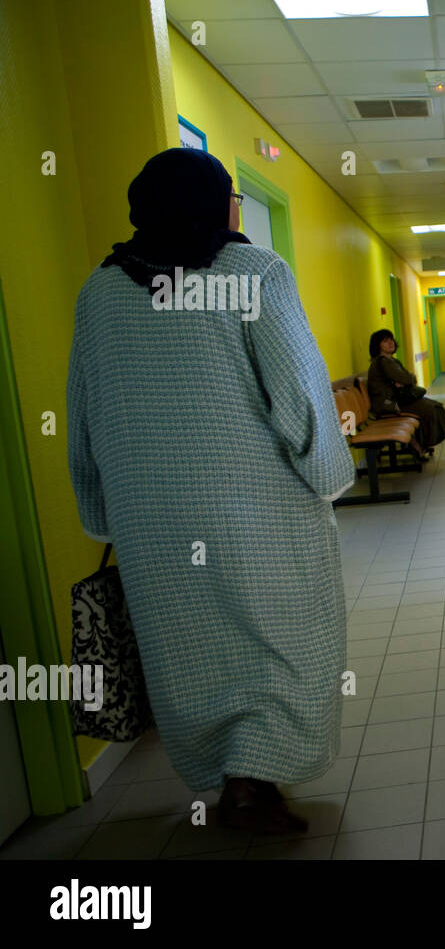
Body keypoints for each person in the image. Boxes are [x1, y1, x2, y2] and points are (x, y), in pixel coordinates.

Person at [66, 147, 356, 834]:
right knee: (280, 636)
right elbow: (301, 393)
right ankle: (254, 778)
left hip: (151, 523)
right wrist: (327, 473)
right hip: (255, 509)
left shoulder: (99, 291)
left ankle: (234, 778)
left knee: (190, 647)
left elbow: (84, 410)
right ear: (219, 205)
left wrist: (100, 512)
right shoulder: (254, 272)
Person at [368, 328, 445, 459]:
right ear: (377, 345)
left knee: (434, 405)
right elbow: (407, 378)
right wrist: (406, 380)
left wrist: (407, 380)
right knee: (428, 409)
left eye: (391, 339)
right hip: (388, 404)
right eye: (385, 341)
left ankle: (422, 443)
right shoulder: (382, 362)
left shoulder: (393, 361)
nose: (390, 343)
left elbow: (410, 378)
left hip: (397, 400)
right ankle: (419, 445)